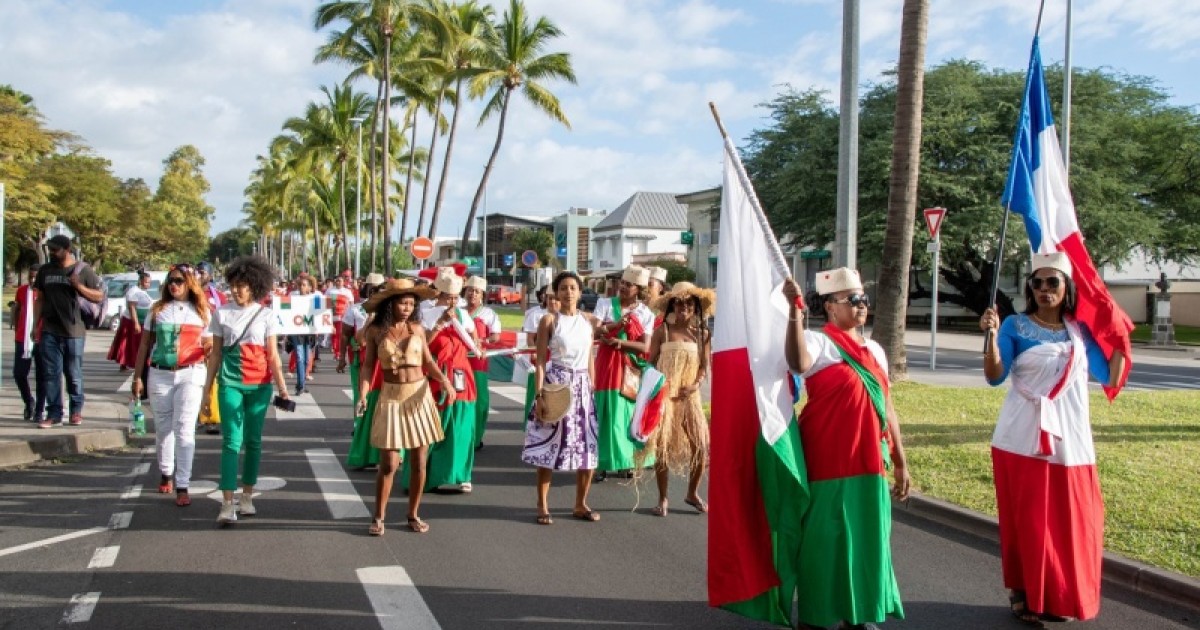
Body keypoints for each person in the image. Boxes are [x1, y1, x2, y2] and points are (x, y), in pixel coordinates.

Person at [980, 253, 1125, 626]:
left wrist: (1119, 336)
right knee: (1027, 521)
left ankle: (1060, 594)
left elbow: (1109, 376)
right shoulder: (1014, 325)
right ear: (1030, 288)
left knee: (1070, 518)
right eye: (1037, 283)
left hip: (1070, 440)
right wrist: (992, 338)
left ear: (1066, 288)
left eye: (1052, 283)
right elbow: (995, 376)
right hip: (1020, 438)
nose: (1044, 290)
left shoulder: (1080, 333)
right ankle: (1023, 592)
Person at [781, 268, 909, 630]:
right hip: (827, 462)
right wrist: (794, 311)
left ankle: (861, 613)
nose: (861, 305)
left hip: (870, 463)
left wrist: (900, 460)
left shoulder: (876, 351)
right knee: (825, 540)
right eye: (851, 300)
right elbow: (796, 362)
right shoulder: (819, 343)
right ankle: (819, 614)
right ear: (830, 307)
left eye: (863, 298)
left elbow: (888, 407)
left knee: (869, 540)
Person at [358, 277, 452, 535]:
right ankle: (378, 516)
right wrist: (363, 394)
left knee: (419, 462)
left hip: (419, 396)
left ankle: (413, 514)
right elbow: (368, 367)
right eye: (403, 303)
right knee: (388, 463)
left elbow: (429, 363)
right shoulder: (376, 331)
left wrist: (445, 382)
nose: (408, 308)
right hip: (390, 396)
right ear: (391, 304)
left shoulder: (418, 329)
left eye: (411, 304)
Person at [201, 255, 289, 525]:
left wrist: (283, 390)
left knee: (254, 442)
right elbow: (215, 355)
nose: (237, 290)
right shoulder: (221, 313)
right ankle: (227, 503)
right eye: (234, 285)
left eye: (243, 285)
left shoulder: (267, 315)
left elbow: (273, 356)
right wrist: (207, 389)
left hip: (260, 386)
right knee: (231, 442)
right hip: (230, 384)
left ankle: (247, 496)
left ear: (255, 287)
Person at [523, 271, 602, 524]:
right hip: (556, 386)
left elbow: (590, 357)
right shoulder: (549, 320)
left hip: (582, 388)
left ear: (580, 292)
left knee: (588, 447)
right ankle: (542, 504)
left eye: (573, 288)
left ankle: (581, 503)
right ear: (556, 293)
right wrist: (539, 393)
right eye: (563, 288)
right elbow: (541, 360)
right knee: (549, 445)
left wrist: (593, 388)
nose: (568, 292)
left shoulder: (588, 321)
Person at [131, 265, 212, 507]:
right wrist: (138, 377)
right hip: (160, 374)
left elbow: (210, 345)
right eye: (170, 281)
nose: (173, 285)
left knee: (185, 428)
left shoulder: (203, 311)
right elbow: (144, 345)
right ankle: (166, 472)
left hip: (191, 373)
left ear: (190, 284)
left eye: (178, 281)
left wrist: (208, 350)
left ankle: (183, 484)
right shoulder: (157, 311)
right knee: (164, 428)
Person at [403, 268, 479, 493]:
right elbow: (420, 345)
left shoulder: (463, 315)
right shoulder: (425, 314)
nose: (452, 302)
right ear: (438, 294)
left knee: (461, 426)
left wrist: (478, 347)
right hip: (435, 374)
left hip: (462, 375)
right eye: (448, 297)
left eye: (456, 297)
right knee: (430, 426)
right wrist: (440, 324)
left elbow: (474, 341)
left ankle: (459, 474)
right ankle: (420, 476)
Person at [642, 282, 713, 516]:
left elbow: (704, 366)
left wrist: (695, 385)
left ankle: (692, 493)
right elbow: (650, 362)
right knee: (662, 448)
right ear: (672, 305)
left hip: (689, 398)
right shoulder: (662, 331)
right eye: (679, 303)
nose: (684, 307)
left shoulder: (702, 334)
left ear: (695, 307)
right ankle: (663, 499)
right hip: (666, 397)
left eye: (689, 303)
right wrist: (655, 385)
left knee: (701, 445)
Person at [592, 265, 656, 480]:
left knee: (625, 413)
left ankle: (625, 461)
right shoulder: (605, 304)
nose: (623, 287)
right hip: (606, 364)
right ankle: (599, 463)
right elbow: (594, 330)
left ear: (639, 289)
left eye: (629, 285)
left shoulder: (645, 313)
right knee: (605, 411)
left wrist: (619, 342)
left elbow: (645, 347)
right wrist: (616, 325)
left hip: (629, 367)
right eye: (623, 283)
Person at [34, 235, 104, 428]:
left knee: (73, 373)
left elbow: (99, 296)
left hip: (74, 331)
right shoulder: (45, 271)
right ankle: (54, 413)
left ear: (67, 249)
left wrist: (78, 285)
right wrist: (35, 325)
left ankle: (76, 410)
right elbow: (39, 299)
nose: (52, 253)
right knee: (51, 374)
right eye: (50, 249)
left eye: (55, 249)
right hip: (49, 329)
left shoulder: (83, 270)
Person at [340, 272, 387, 469]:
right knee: (364, 398)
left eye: (379, 288)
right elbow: (347, 335)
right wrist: (342, 357)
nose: (375, 292)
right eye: (372, 288)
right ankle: (361, 434)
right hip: (364, 359)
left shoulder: (392, 310)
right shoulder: (357, 309)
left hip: (387, 362)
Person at [463, 276, 501, 449]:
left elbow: (496, 336)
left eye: (477, 291)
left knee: (480, 401)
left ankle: (475, 438)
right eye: (470, 290)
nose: (473, 294)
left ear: (482, 295)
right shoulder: (458, 311)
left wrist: (483, 340)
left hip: (478, 362)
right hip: (458, 360)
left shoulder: (488, 314)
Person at [520, 285, 559, 419]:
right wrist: (534, 353)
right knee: (536, 393)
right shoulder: (536, 315)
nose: (552, 302)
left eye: (555, 298)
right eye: (549, 298)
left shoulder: (565, 317)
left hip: (557, 361)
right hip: (540, 358)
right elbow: (530, 338)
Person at [13, 264, 46, 423]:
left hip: (42, 338)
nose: (33, 280)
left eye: (36, 277)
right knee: (19, 373)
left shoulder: (45, 292)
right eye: (30, 277)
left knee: (41, 376)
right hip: (23, 338)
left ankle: (40, 410)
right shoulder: (21, 291)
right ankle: (29, 401)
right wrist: (16, 327)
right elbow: (18, 308)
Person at [197, 261, 226, 435]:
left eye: (203, 272)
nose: (200, 275)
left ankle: (210, 419)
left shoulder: (218, 296)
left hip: (211, 341)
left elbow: (223, 317)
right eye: (198, 272)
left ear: (210, 275)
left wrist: (208, 306)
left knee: (211, 380)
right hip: (190, 343)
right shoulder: (187, 292)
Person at [107, 272, 153, 372]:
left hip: (142, 320)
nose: (148, 284)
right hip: (132, 321)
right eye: (146, 282)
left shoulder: (142, 292)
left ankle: (131, 363)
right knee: (130, 344)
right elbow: (132, 308)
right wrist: (136, 323)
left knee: (134, 344)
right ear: (140, 281)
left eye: (149, 282)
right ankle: (127, 363)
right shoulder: (134, 291)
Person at [288, 276, 319, 395]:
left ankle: (302, 383)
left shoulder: (315, 298)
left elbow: (322, 312)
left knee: (306, 359)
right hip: (297, 332)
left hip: (310, 333)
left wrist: (323, 326)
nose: (302, 287)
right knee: (300, 357)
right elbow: (285, 311)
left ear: (310, 287)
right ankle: (300, 385)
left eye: (304, 285)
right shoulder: (292, 297)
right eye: (300, 285)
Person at [326, 274, 355, 361]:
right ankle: (335, 351)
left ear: (343, 282)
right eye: (337, 280)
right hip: (331, 316)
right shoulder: (330, 291)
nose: (338, 282)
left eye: (340, 280)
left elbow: (351, 304)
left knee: (339, 334)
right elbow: (326, 303)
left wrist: (351, 315)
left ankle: (338, 352)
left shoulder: (347, 292)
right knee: (333, 334)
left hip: (343, 317)